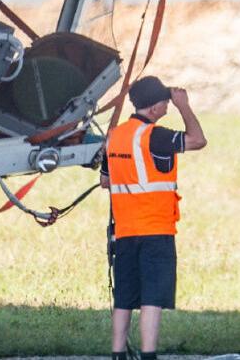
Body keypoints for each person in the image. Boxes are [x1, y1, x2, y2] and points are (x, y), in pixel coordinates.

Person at [100, 76, 207, 360]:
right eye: (166, 103)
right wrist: (185, 106)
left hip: (124, 230)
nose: (168, 107)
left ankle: (117, 353)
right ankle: (148, 355)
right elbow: (198, 140)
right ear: (154, 107)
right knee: (152, 296)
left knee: (123, 295)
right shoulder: (154, 136)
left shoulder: (115, 136)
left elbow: (104, 180)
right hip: (155, 229)